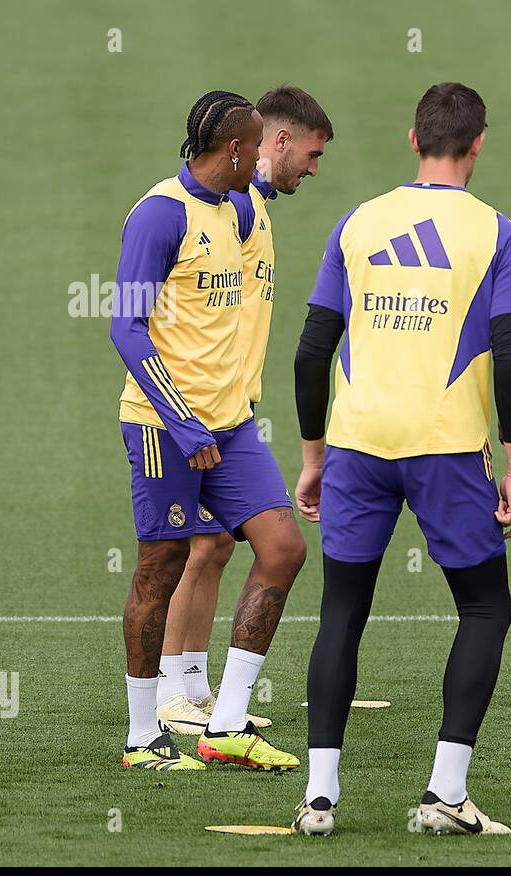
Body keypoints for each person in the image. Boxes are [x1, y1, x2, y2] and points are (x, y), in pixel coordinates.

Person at [291, 83, 511, 835]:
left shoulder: (358, 221)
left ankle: (320, 799)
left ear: (413, 138)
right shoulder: (498, 233)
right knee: (486, 608)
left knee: (342, 610)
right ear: (478, 143)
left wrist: (312, 455)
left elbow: (310, 352)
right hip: (446, 448)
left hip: (358, 443)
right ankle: (444, 794)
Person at [111, 90, 305, 772]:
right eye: (256, 146)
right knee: (158, 572)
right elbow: (125, 328)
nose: (263, 156)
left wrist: (222, 417)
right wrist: (183, 421)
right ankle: (142, 737)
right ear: (233, 149)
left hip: (232, 427)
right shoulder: (160, 216)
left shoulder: (232, 211)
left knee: (281, 548)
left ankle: (225, 725)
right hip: (166, 428)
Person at [155, 85, 334, 737]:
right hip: (198, 410)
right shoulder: (231, 201)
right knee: (200, 546)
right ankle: (171, 692)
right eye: (309, 155)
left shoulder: (251, 203)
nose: (312, 170)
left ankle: (194, 690)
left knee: (216, 549)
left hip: (233, 406)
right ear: (275, 142)